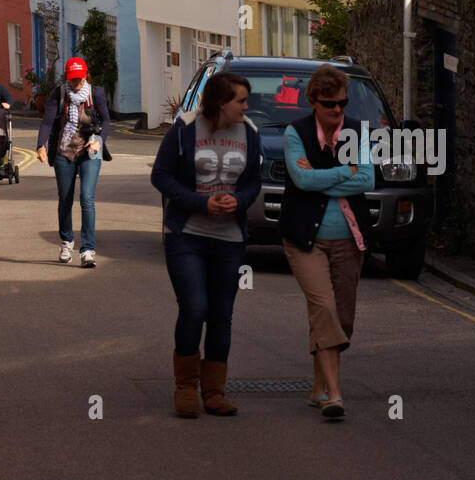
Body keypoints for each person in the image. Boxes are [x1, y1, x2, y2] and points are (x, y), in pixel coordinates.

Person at [151, 72, 261, 418]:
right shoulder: (184, 128)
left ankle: (214, 391)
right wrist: (201, 203)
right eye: (240, 101)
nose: (246, 107)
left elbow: (254, 182)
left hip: (229, 239)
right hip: (186, 235)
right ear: (220, 103)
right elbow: (161, 176)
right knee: (195, 307)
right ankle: (185, 387)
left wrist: (239, 201)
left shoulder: (250, 133)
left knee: (221, 315)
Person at [280, 63, 373, 421]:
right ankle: (335, 394)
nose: (338, 111)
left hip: (350, 238)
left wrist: (324, 176)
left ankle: (318, 386)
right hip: (305, 239)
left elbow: (365, 177)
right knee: (324, 308)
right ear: (313, 102)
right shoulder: (296, 132)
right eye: (330, 104)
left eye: (342, 104)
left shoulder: (356, 132)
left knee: (343, 319)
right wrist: (342, 173)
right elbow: (301, 181)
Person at [36, 57, 110, 268]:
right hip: (64, 151)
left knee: (87, 197)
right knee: (65, 199)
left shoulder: (96, 94)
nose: (75, 83)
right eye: (72, 79)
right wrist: (40, 145)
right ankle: (66, 242)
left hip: (90, 151)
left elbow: (105, 121)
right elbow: (48, 122)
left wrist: (98, 141)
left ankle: (87, 250)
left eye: (78, 79)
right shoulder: (59, 94)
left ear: (85, 76)